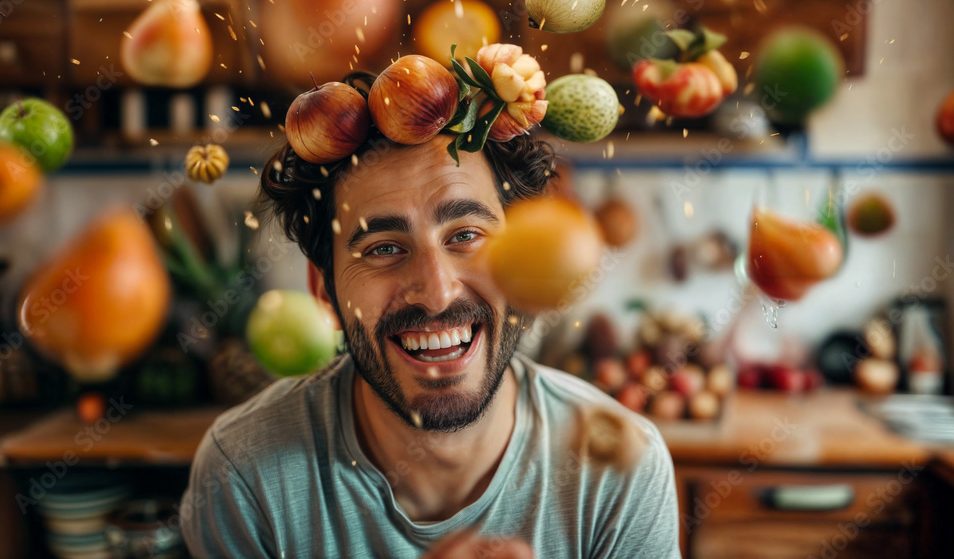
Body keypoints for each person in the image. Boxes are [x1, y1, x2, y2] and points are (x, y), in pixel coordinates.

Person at [179, 106, 681, 558]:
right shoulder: (243, 473)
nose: (437, 294)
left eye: (466, 236)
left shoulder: (619, 470)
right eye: (382, 248)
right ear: (324, 290)